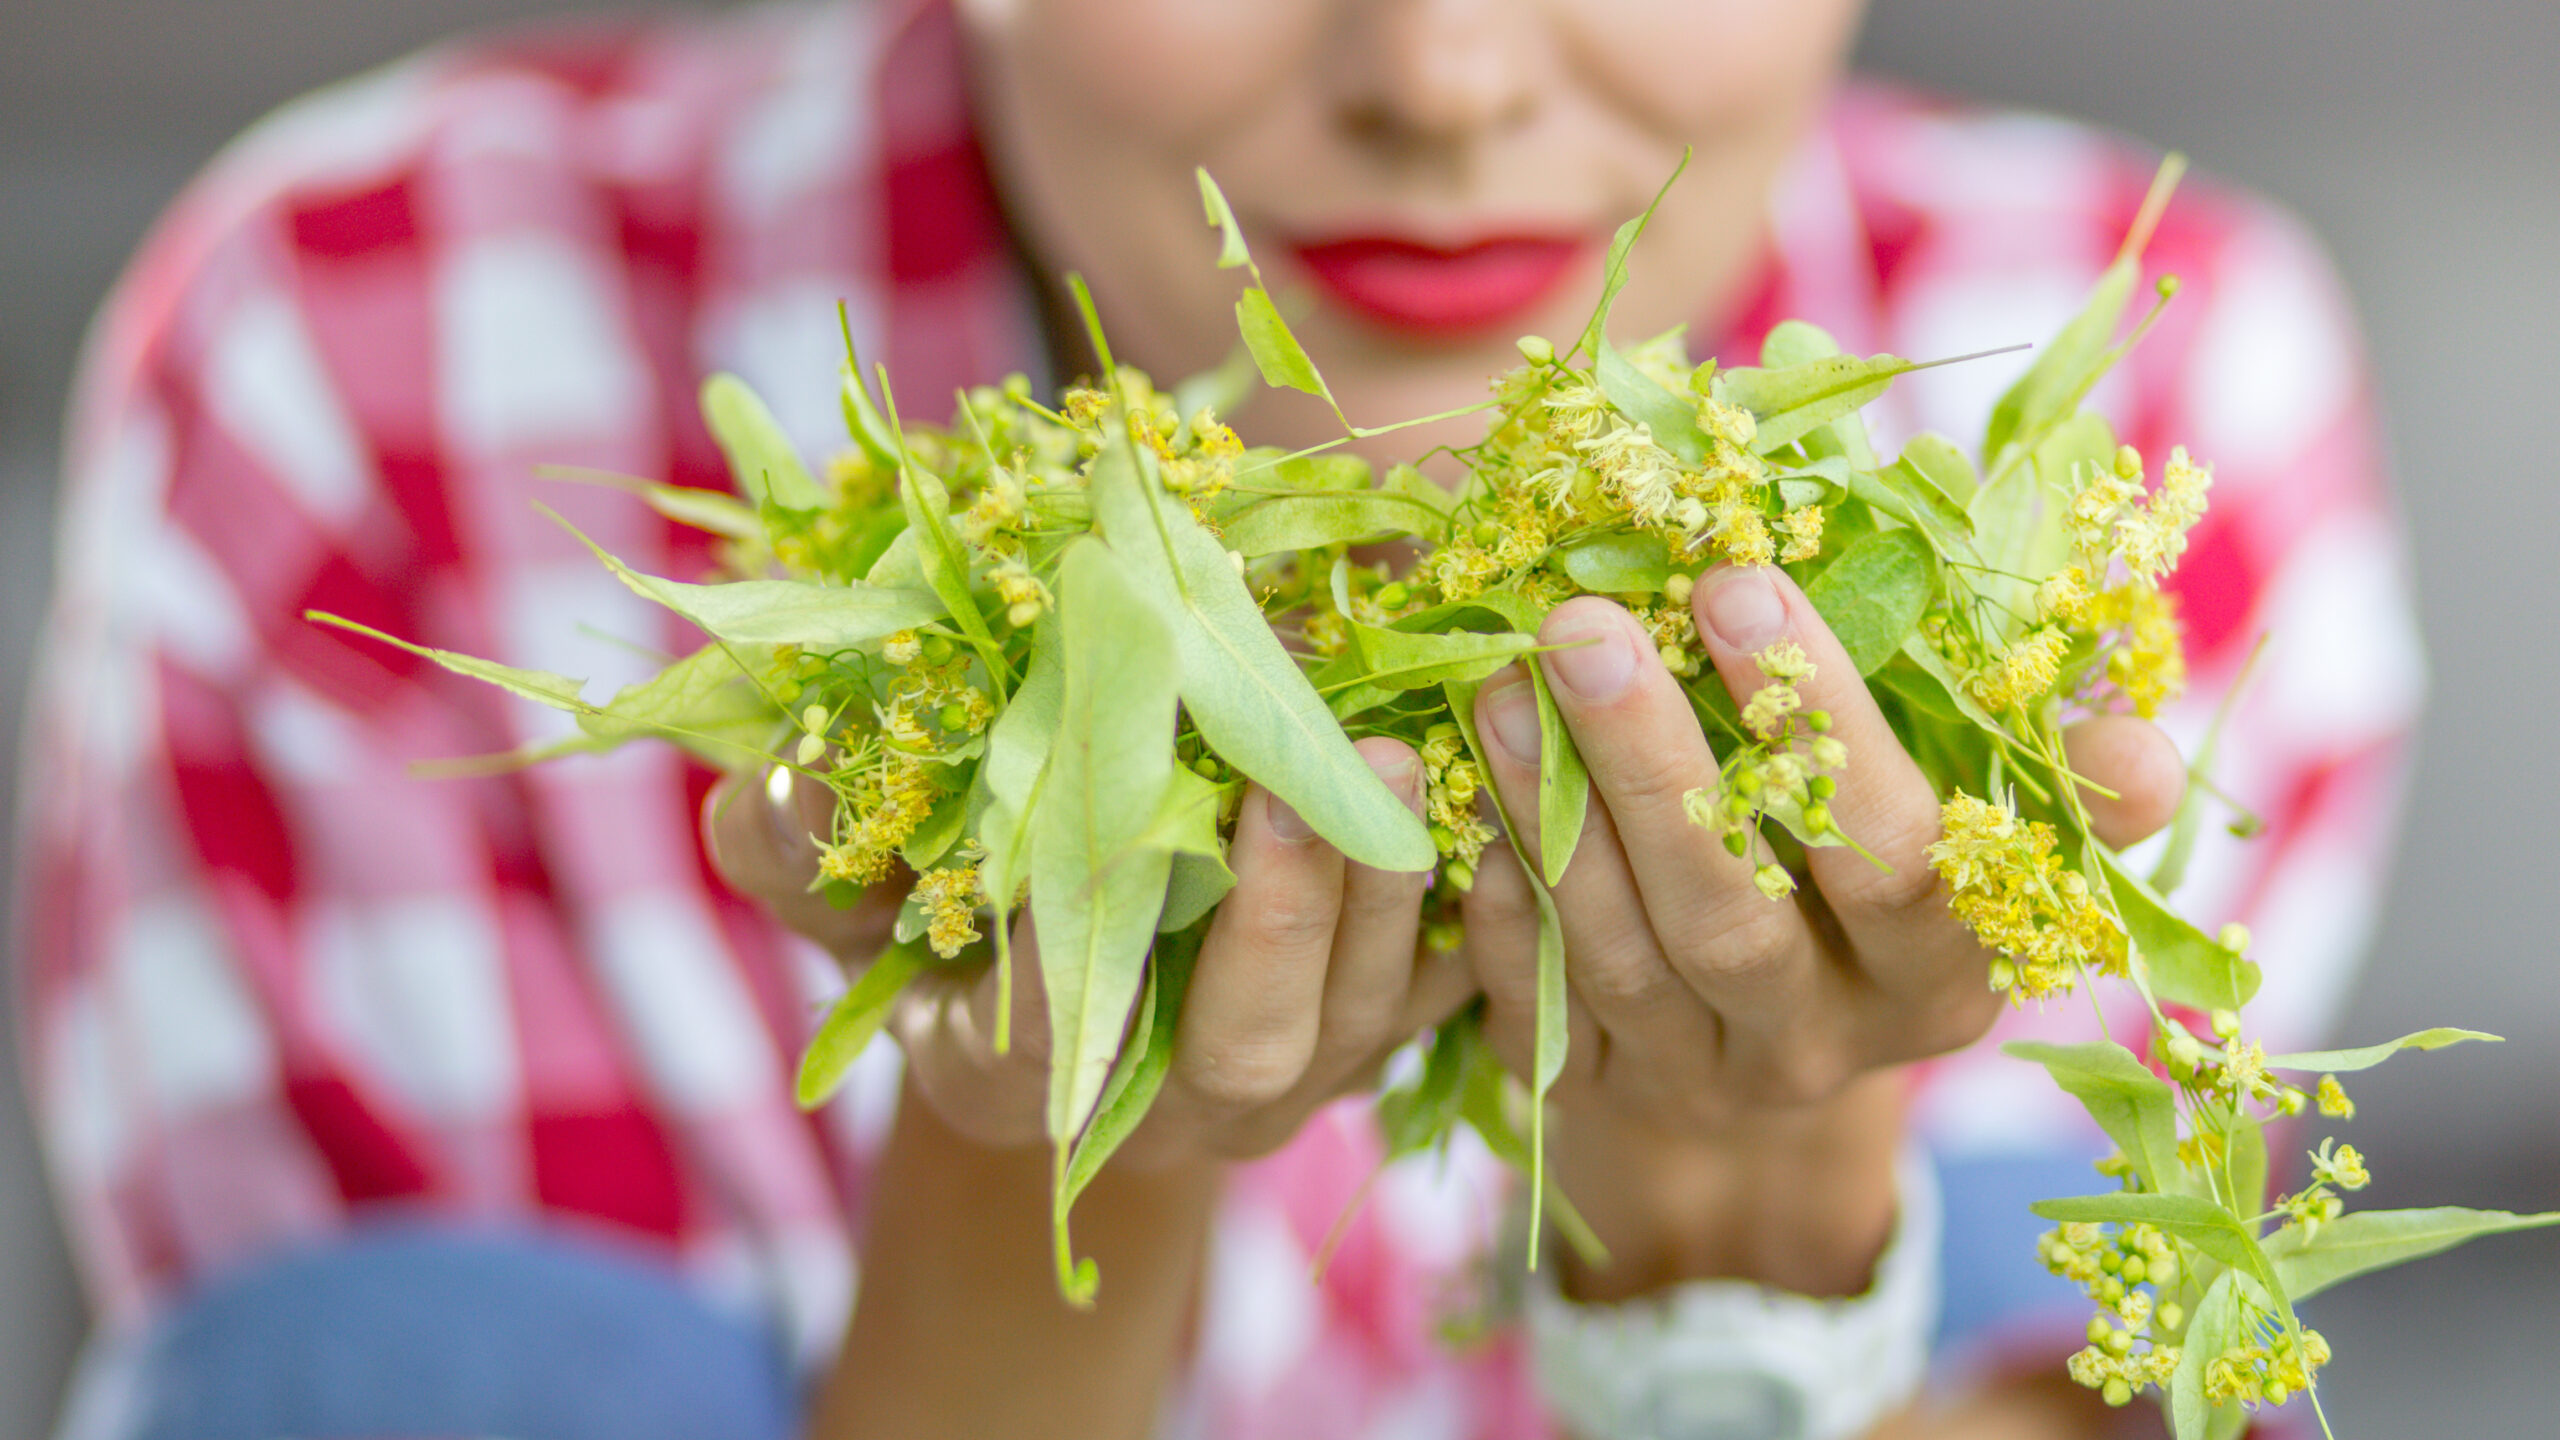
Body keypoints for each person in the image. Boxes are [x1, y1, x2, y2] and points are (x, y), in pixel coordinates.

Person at [17, 0, 2421, 1436]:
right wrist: (1054, 1155)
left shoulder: (2122, 374)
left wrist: (1741, 1259)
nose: (1443, 78)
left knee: (2047, 1257)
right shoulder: (385, 347)